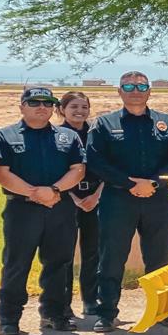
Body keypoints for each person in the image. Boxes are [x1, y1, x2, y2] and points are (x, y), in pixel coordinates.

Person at [86, 70, 168, 332]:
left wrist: (154, 183)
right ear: (119, 92)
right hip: (118, 198)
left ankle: (164, 311)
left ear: (149, 91)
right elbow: (96, 161)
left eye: (141, 87)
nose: (135, 91)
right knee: (111, 256)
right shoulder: (104, 124)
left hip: (159, 197)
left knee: (160, 257)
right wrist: (130, 184)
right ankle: (106, 313)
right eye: (128, 86)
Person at [0, 86, 86, 335]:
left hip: (60, 207)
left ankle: (54, 314)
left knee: (59, 264)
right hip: (22, 209)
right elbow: (1, 173)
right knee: (16, 263)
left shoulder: (67, 137)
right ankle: (9, 318)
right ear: (22, 106)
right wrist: (34, 192)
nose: (41, 107)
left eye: (47, 103)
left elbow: (78, 170)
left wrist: (53, 190)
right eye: (34, 103)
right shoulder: (5, 135)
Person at [58, 92, 103, 320]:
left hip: (95, 197)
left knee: (93, 252)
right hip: (66, 198)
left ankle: (90, 299)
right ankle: (63, 304)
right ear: (61, 110)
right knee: (64, 252)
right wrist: (74, 198)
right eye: (74, 106)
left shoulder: (97, 134)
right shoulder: (56, 135)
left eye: (84, 107)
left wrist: (96, 195)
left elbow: (108, 166)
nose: (79, 111)